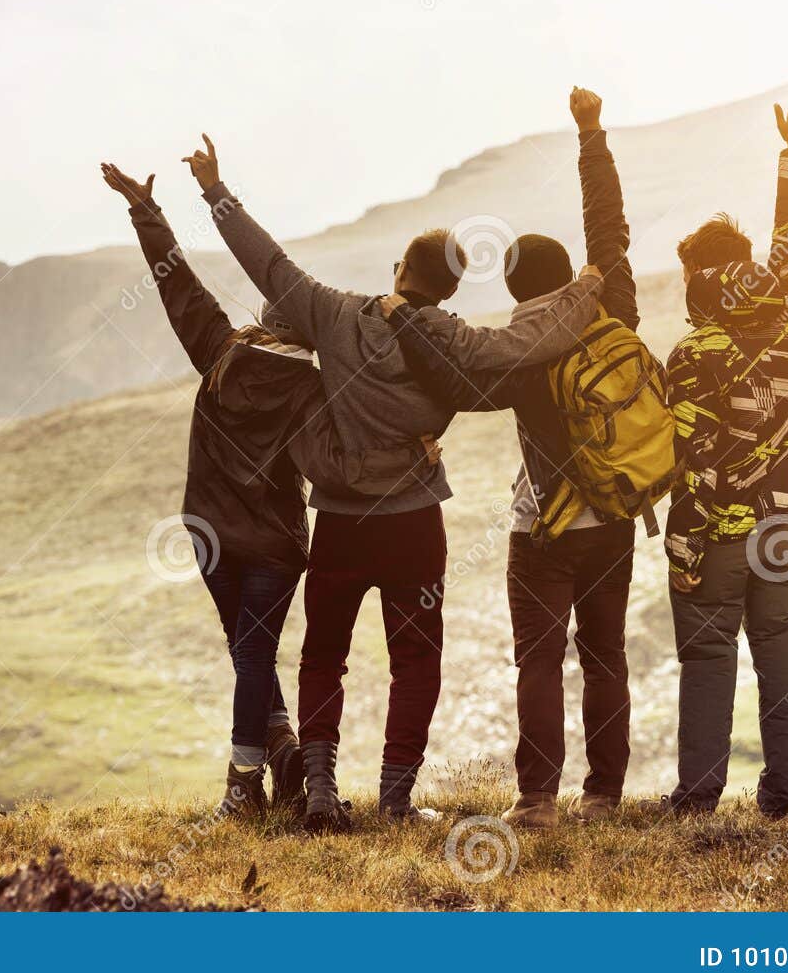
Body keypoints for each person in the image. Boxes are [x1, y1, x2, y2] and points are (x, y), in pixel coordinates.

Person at [181, 135, 603, 830]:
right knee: (416, 660)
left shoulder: (335, 312)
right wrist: (590, 288)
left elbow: (268, 264)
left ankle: (319, 789)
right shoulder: (457, 341)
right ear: (450, 288)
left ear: (401, 267)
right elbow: (531, 344)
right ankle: (398, 799)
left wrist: (215, 191)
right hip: (413, 525)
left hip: (343, 524)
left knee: (323, 657)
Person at [101, 162, 440, 818]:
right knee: (253, 654)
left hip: (208, 534)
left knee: (247, 652)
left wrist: (146, 210)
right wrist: (413, 454)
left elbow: (176, 282)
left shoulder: (219, 350)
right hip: (275, 547)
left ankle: (268, 764)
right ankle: (246, 783)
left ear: (264, 319)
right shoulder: (313, 389)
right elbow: (338, 468)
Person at [380, 87, 640, 829]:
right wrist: (591, 136)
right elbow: (609, 227)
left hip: (543, 528)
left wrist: (408, 324)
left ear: (516, 289)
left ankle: (537, 800)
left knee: (538, 661)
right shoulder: (610, 305)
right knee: (605, 656)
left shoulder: (515, 350)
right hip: (614, 515)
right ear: (571, 273)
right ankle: (604, 796)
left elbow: (452, 383)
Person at [663, 104, 788, 818]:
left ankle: (698, 797)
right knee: (781, 654)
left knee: (708, 659)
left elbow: (695, 463)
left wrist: (685, 547)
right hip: (780, 528)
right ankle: (784, 799)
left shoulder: (694, 355)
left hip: (718, 532)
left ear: (700, 273)